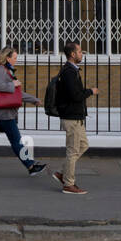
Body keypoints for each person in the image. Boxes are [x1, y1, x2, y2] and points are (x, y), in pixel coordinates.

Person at [0, 46, 47, 178]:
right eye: (15, 57)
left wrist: (33, 100)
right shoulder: (1, 69)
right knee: (16, 141)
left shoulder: (5, 70)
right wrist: (14, 84)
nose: (16, 60)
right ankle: (31, 166)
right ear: (7, 58)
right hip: (3, 114)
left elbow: (14, 95)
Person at [52, 40, 98, 195]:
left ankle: (61, 173)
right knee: (72, 151)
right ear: (72, 54)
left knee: (83, 145)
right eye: (79, 52)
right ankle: (68, 184)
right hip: (72, 117)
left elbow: (75, 93)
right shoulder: (69, 72)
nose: (82, 54)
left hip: (76, 117)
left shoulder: (72, 71)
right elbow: (76, 96)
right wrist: (90, 91)